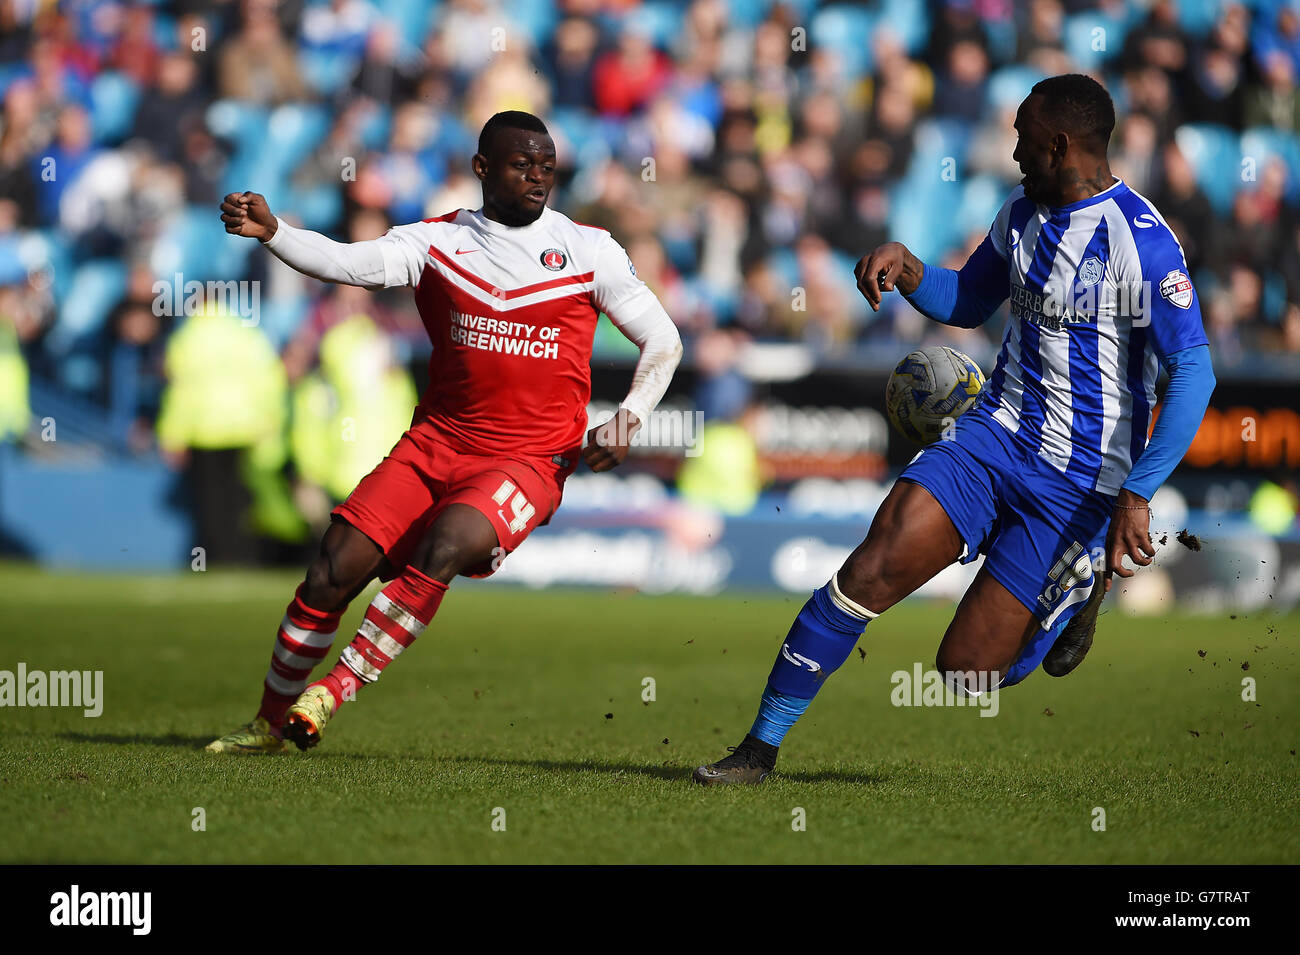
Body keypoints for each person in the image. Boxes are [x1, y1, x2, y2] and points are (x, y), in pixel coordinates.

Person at [694, 74, 1216, 785]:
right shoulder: (1021, 213)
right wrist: (910, 269)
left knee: (965, 672)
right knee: (872, 564)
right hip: (992, 434)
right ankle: (758, 750)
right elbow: (970, 300)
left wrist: (1139, 490)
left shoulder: (1143, 243)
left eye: (1024, 137)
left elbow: (1194, 373)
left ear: (1060, 143)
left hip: (1081, 480)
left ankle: (1072, 593)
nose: (1013, 150)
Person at [207, 111, 682, 753]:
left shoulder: (589, 249)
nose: (538, 178)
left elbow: (663, 338)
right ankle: (266, 722)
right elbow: (347, 264)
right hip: (437, 442)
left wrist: (628, 417)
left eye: (547, 167)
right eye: (522, 165)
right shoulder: (435, 243)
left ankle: (330, 693)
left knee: (450, 544)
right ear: (482, 169)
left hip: (529, 460)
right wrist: (276, 233)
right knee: (331, 569)